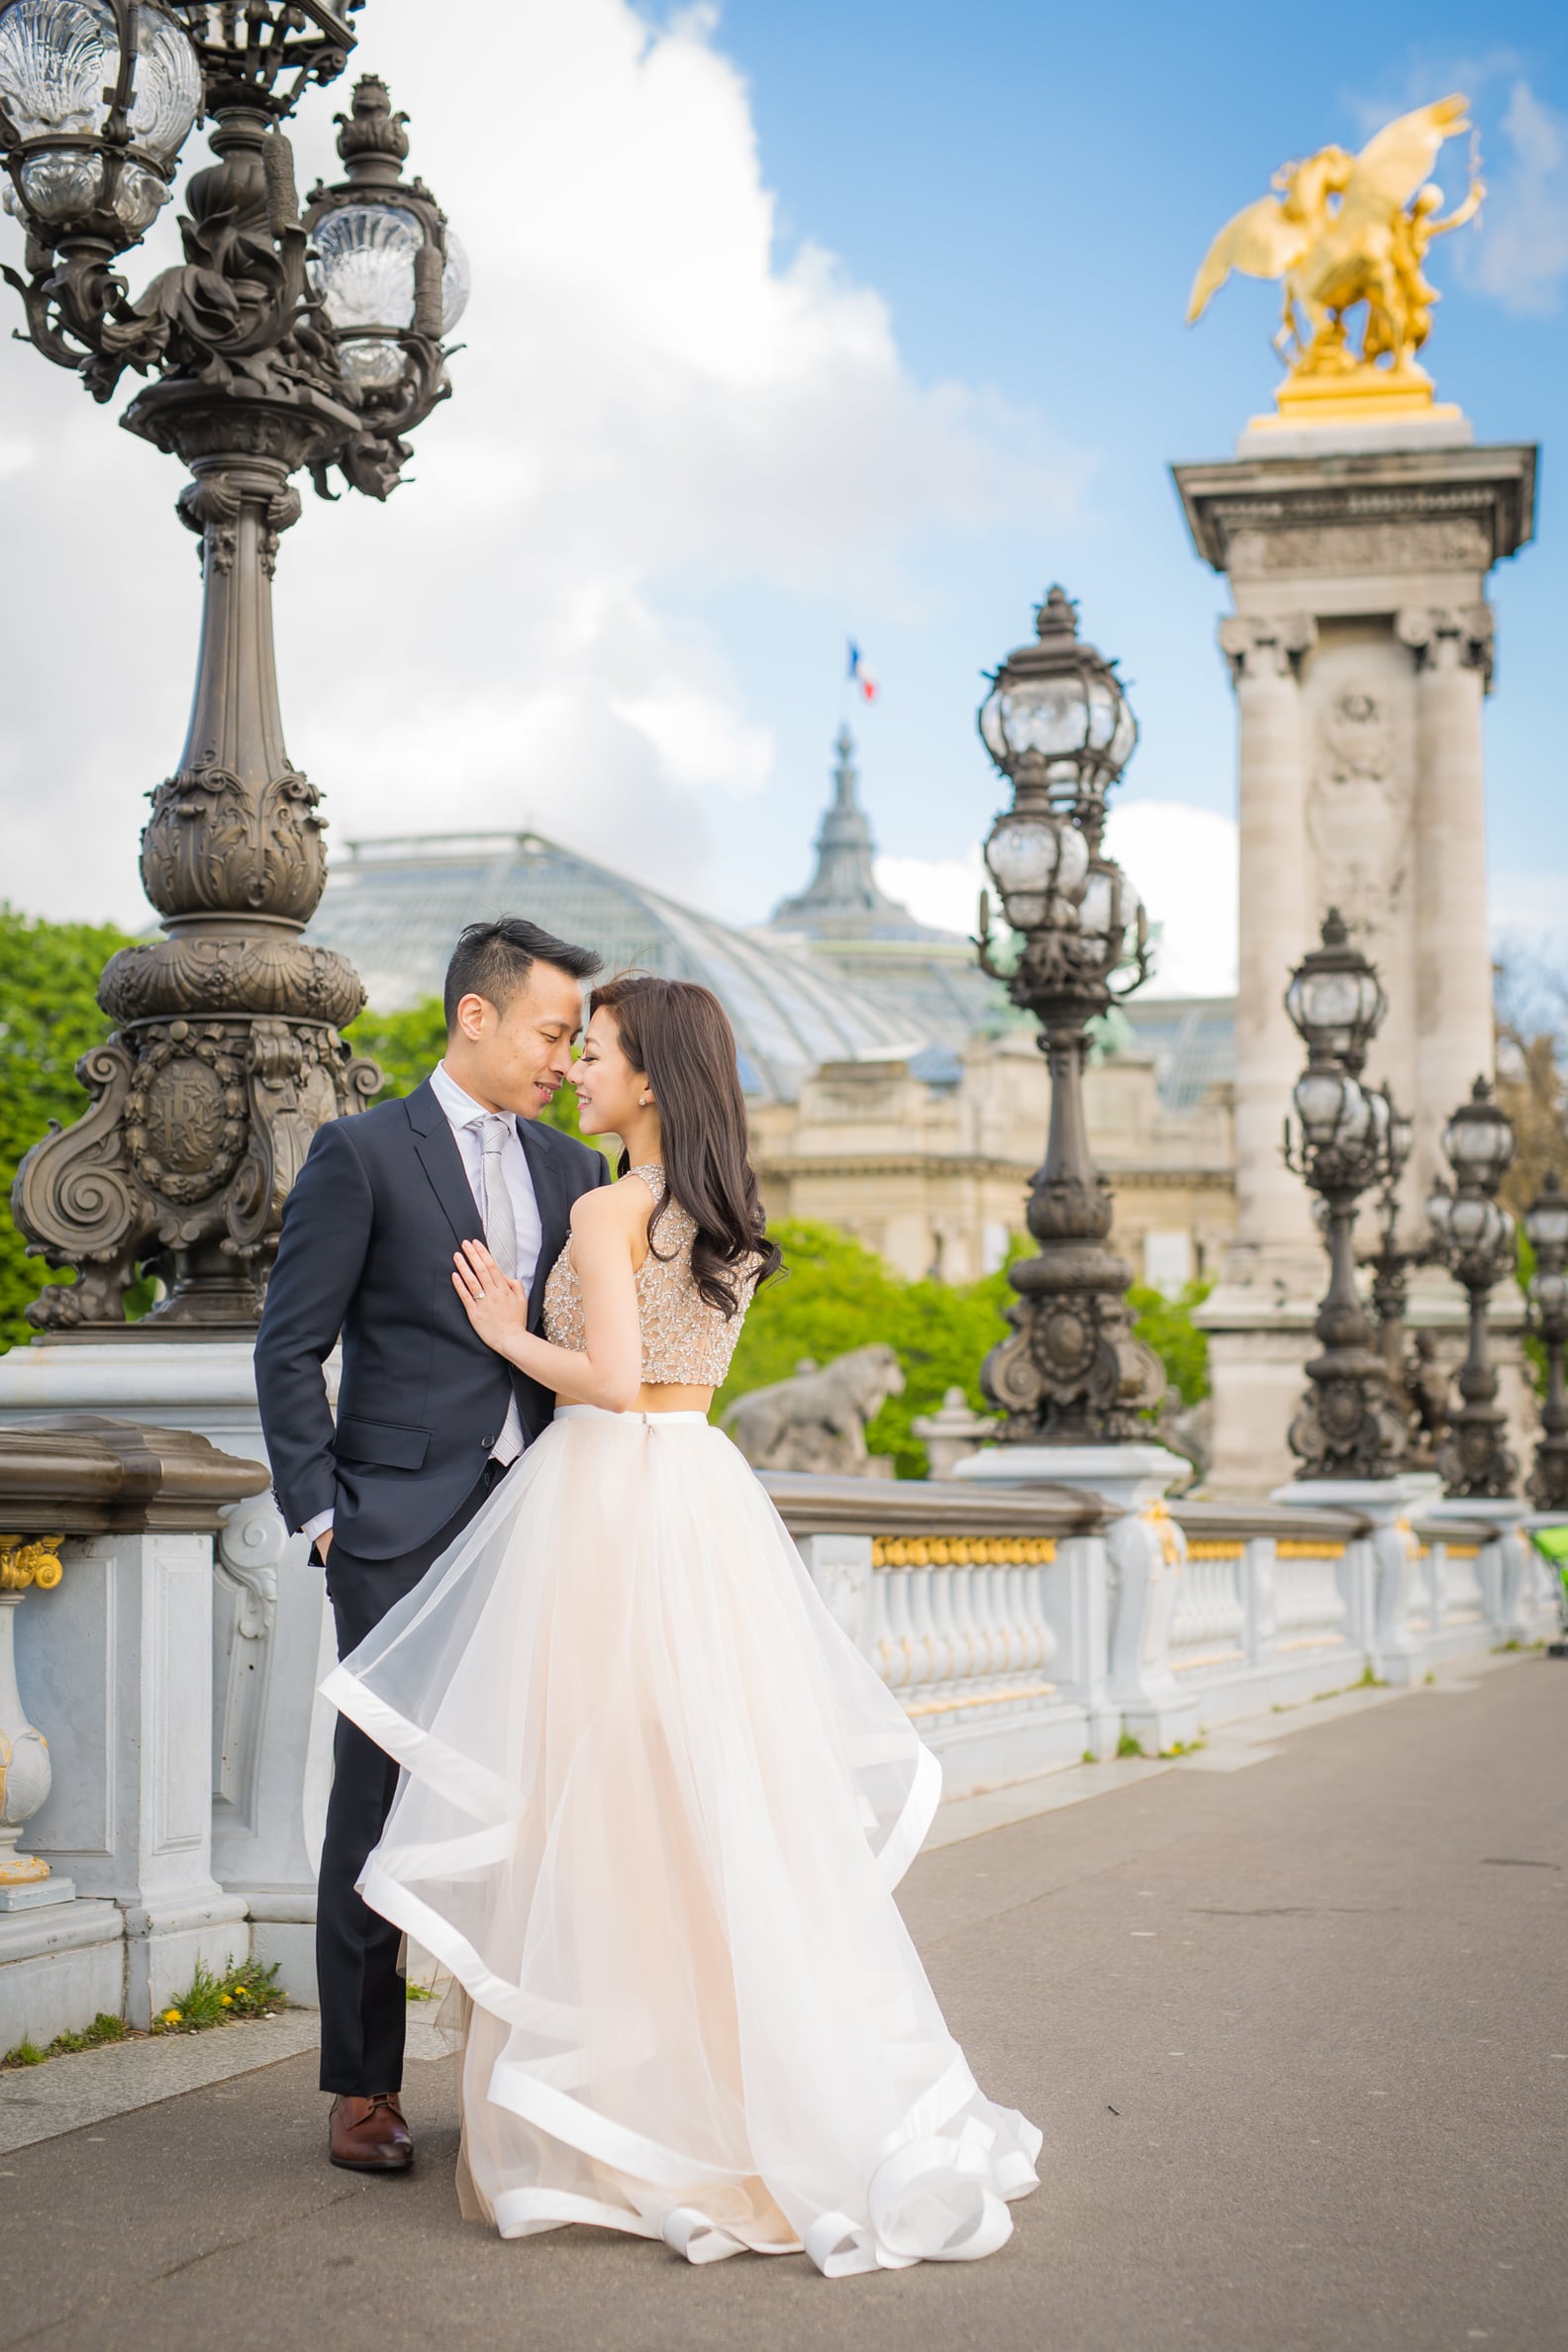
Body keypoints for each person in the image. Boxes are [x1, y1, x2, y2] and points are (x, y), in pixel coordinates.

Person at [322, 972, 1040, 2273]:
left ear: (648, 1075)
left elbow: (601, 1376)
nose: (577, 1070)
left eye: (593, 1052)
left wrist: (502, 1331)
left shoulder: (605, 1204)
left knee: (594, 1807)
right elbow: (669, 1375)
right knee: (710, 1807)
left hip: (604, 1496)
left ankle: (613, 2124)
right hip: (700, 1486)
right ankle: (735, 2088)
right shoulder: (721, 1215)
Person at [254, 918, 611, 2174]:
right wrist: (320, 1513)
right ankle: (362, 2088)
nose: (565, 1059)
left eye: (577, 1042)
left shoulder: (577, 1171)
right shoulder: (361, 1154)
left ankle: (521, 2066)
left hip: (544, 1520)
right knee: (381, 1794)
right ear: (478, 1016)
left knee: (544, 1793)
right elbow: (288, 1348)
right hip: (395, 1527)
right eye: (553, 1033)